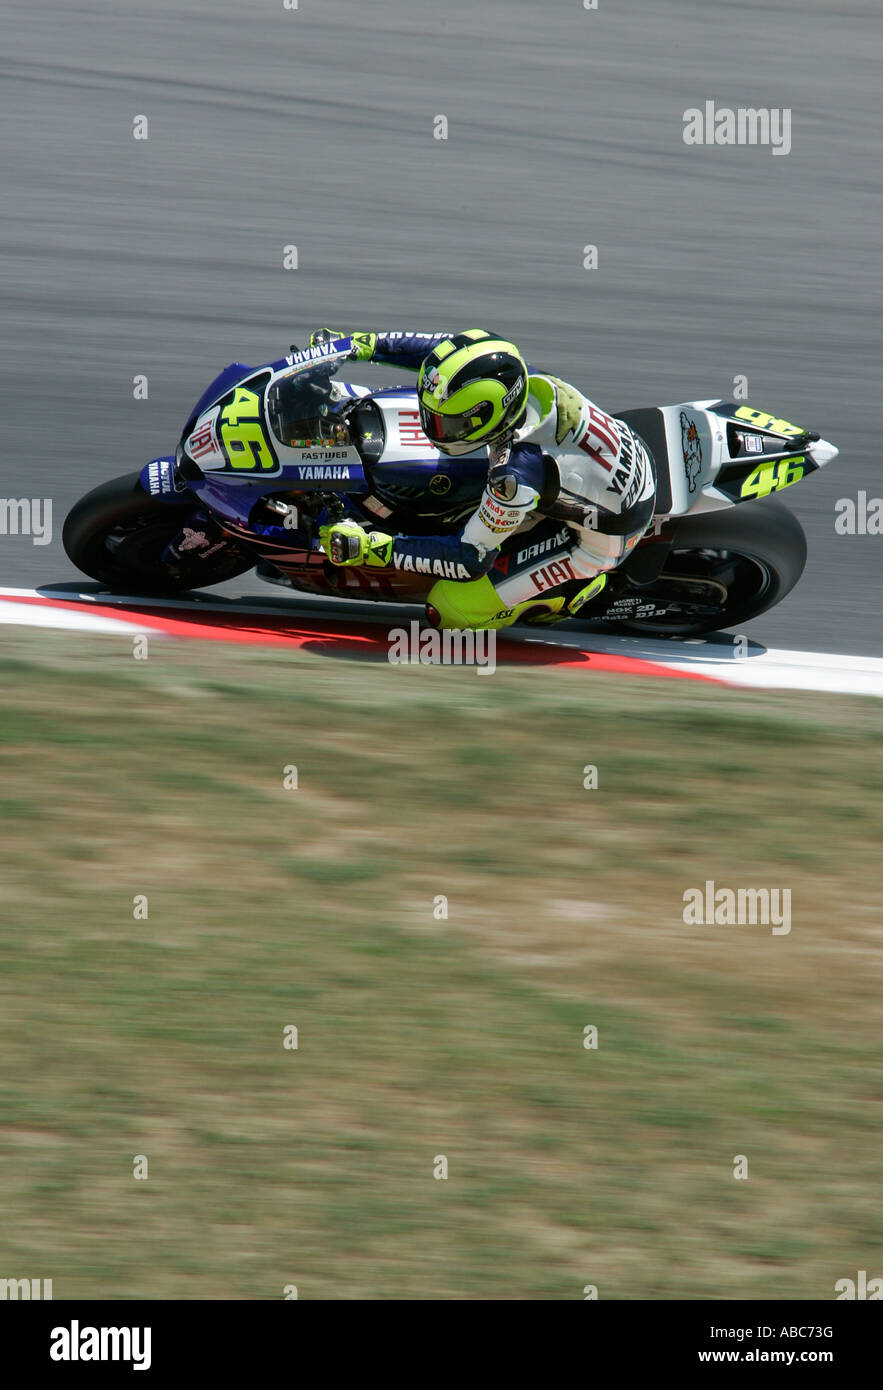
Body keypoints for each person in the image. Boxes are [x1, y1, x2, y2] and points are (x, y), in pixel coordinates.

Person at [314, 328, 656, 628]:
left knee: (449, 610)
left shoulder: (514, 477)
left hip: (604, 536)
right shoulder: (515, 372)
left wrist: (376, 548)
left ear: (489, 415)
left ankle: (570, 592)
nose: (433, 430)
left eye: (448, 423)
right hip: (614, 466)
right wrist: (360, 345)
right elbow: (439, 353)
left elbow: (470, 559)